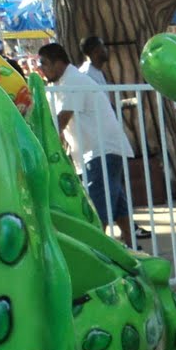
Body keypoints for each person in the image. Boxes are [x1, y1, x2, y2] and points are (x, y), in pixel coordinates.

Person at [37, 41, 139, 244]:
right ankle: (131, 243)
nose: (42, 69)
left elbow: (61, 120)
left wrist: (41, 143)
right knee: (116, 203)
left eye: (44, 64)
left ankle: (96, 250)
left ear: (58, 63)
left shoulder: (73, 81)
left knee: (96, 206)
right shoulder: (62, 84)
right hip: (100, 150)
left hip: (100, 150)